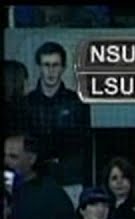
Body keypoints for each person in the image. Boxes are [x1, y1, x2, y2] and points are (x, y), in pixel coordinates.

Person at [26, 41, 90, 202]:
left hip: (69, 179)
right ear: (39, 67)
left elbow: (82, 142)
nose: (51, 71)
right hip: (35, 180)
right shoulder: (27, 103)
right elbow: (25, 142)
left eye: (55, 65)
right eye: (46, 65)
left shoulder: (76, 102)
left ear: (63, 68)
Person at [4, 131, 76, 219]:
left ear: (31, 159)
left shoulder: (51, 195)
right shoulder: (8, 188)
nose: (6, 162)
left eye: (13, 157)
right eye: (4, 155)